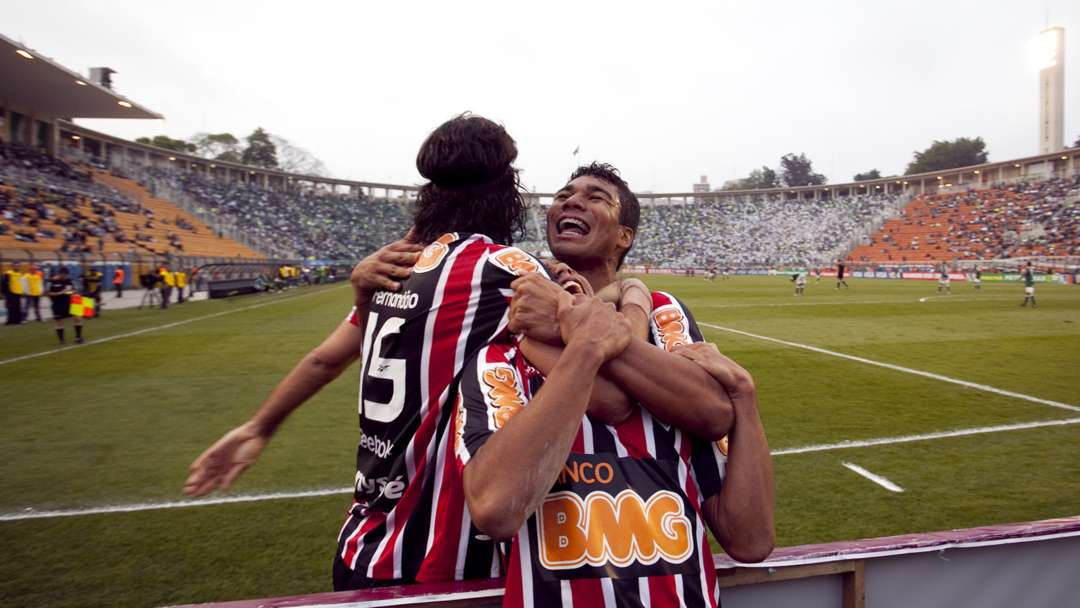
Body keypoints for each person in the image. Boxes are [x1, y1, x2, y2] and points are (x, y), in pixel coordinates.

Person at [185, 114, 554, 590]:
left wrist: (259, 426)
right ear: (508, 187)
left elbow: (325, 358)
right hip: (446, 563)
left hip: (363, 547)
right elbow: (594, 350)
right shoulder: (506, 268)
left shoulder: (393, 268)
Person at [459, 163, 771, 606]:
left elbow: (715, 417)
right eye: (564, 194)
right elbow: (494, 508)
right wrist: (590, 328)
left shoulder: (663, 317)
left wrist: (583, 320)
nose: (570, 200)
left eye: (595, 196)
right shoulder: (504, 348)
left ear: (624, 236)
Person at [47, 267, 83, 344]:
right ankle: (61, 340)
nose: (65, 276)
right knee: (59, 321)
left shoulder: (70, 281)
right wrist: (59, 293)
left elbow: (74, 291)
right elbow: (47, 293)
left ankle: (78, 337)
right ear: (60, 273)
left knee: (78, 318)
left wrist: (71, 292)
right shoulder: (52, 281)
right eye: (64, 275)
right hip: (57, 304)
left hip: (70, 303)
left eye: (66, 275)